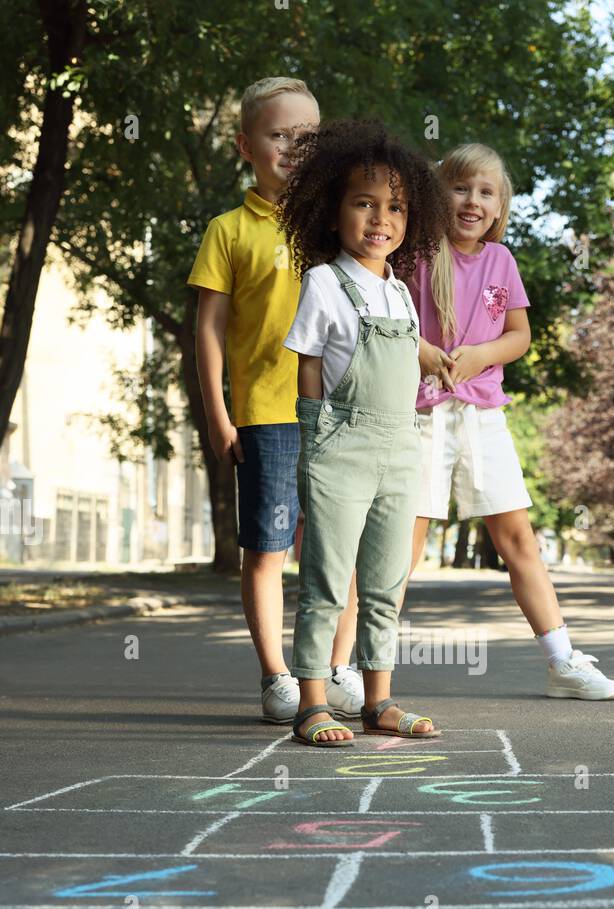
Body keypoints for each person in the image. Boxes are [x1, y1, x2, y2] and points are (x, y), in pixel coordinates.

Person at [403, 143, 614, 700]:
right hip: (421, 413)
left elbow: (520, 335)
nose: (471, 201)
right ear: (437, 196)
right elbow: (390, 323)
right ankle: (356, 667)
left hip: (482, 417)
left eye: (485, 193)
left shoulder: (502, 261)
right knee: (402, 546)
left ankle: (562, 661)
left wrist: (481, 355)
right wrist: (427, 351)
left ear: (500, 207)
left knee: (518, 539)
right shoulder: (415, 253)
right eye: (459, 188)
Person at [187, 77, 365, 725]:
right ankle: (277, 675)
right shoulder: (228, 231)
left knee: (335, 549)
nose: (293, 146)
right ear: (245, 145)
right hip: (265, 414)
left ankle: (337, 665)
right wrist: (217, 413)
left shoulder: (339, 224)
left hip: (341, 416)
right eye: (278, 134)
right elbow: (208, 328)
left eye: (306, 137)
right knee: (266, 548)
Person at [276, 119, 450, 745]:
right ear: (333, 211)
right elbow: (310, 361)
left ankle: (379, 700)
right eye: (365, 203)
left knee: (385, 584)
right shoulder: (325, 281)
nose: (381, 219)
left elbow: (407, 354)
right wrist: (315, 434)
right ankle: (312, 701)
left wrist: (433, 357)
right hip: (340, 446)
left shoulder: (401, 291)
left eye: (396, 207)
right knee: (326, 578)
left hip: (400, 449)